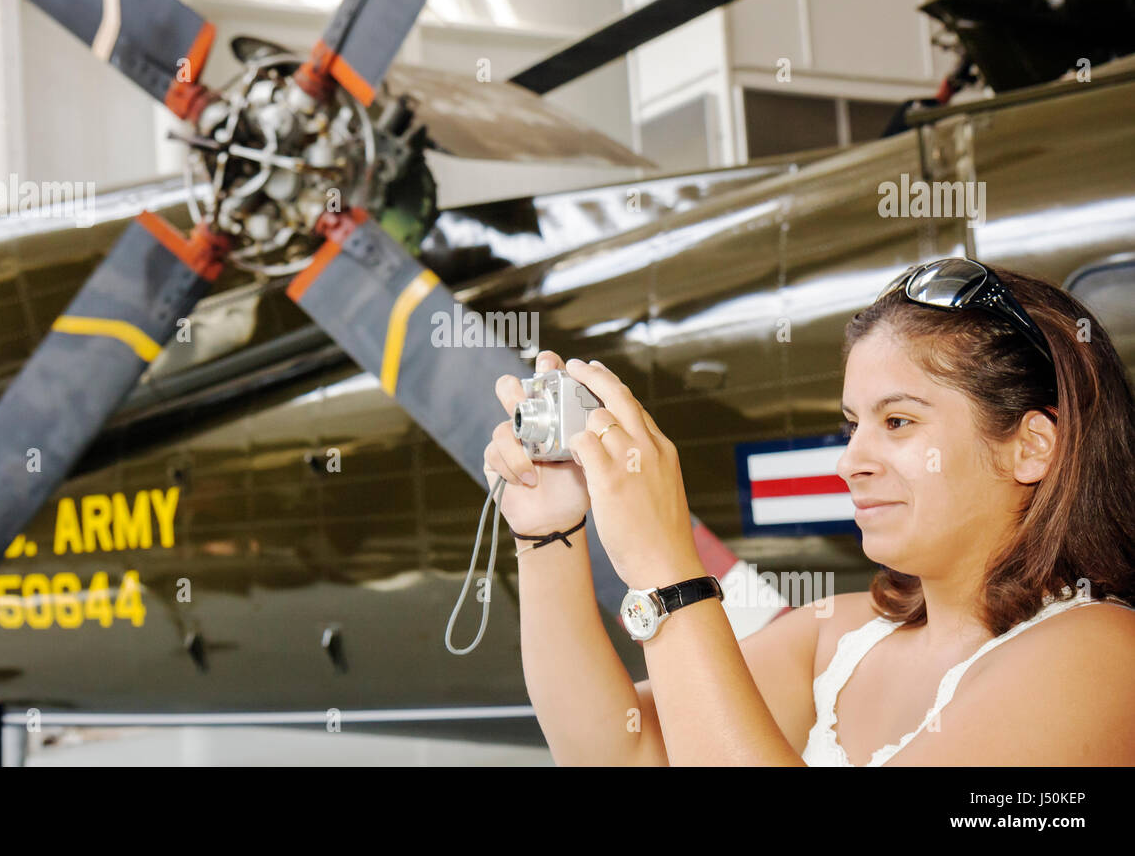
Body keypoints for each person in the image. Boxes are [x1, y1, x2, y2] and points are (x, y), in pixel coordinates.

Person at [484, 259, 1135, 765]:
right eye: (853, 425)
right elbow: (621, 752)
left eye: (898, 421)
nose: (852, 460)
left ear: (1030, 446)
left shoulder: (1102, 657)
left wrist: (668, 574)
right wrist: (547, 537)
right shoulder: (840, 633)